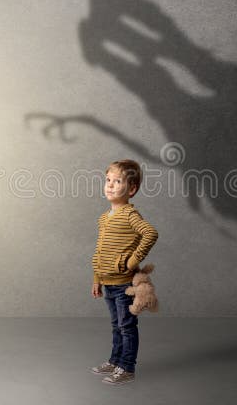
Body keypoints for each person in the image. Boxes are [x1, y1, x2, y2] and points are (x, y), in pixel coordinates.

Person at [89, 159, 159, 385]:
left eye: (117, 181)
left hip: (123, 285)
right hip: (107, 283)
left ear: (131, 189)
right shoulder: (104, 218)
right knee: (115, 325)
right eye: (107, 180)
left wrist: (133, 260)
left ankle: (127, 367)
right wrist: (97, 278)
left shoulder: (130, 215)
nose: (109, 185)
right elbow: (100, 250)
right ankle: (115, 360)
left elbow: (150, 233)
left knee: (127, 326)